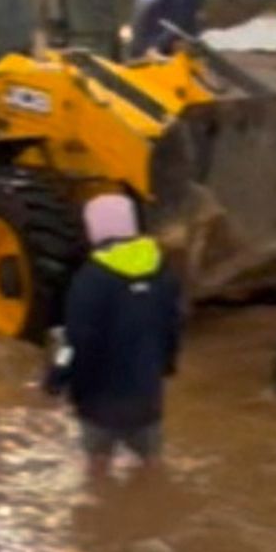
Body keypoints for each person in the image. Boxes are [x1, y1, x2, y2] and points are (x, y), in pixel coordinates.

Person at [44, 195, 184, 480]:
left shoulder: (91, 279)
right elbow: (173, 326)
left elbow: (75, 340)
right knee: (152, 465)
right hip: (147, 394)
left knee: (97, 469)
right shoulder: (162, 272)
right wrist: (167, 364)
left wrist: (57, 377)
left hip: (99, 399)